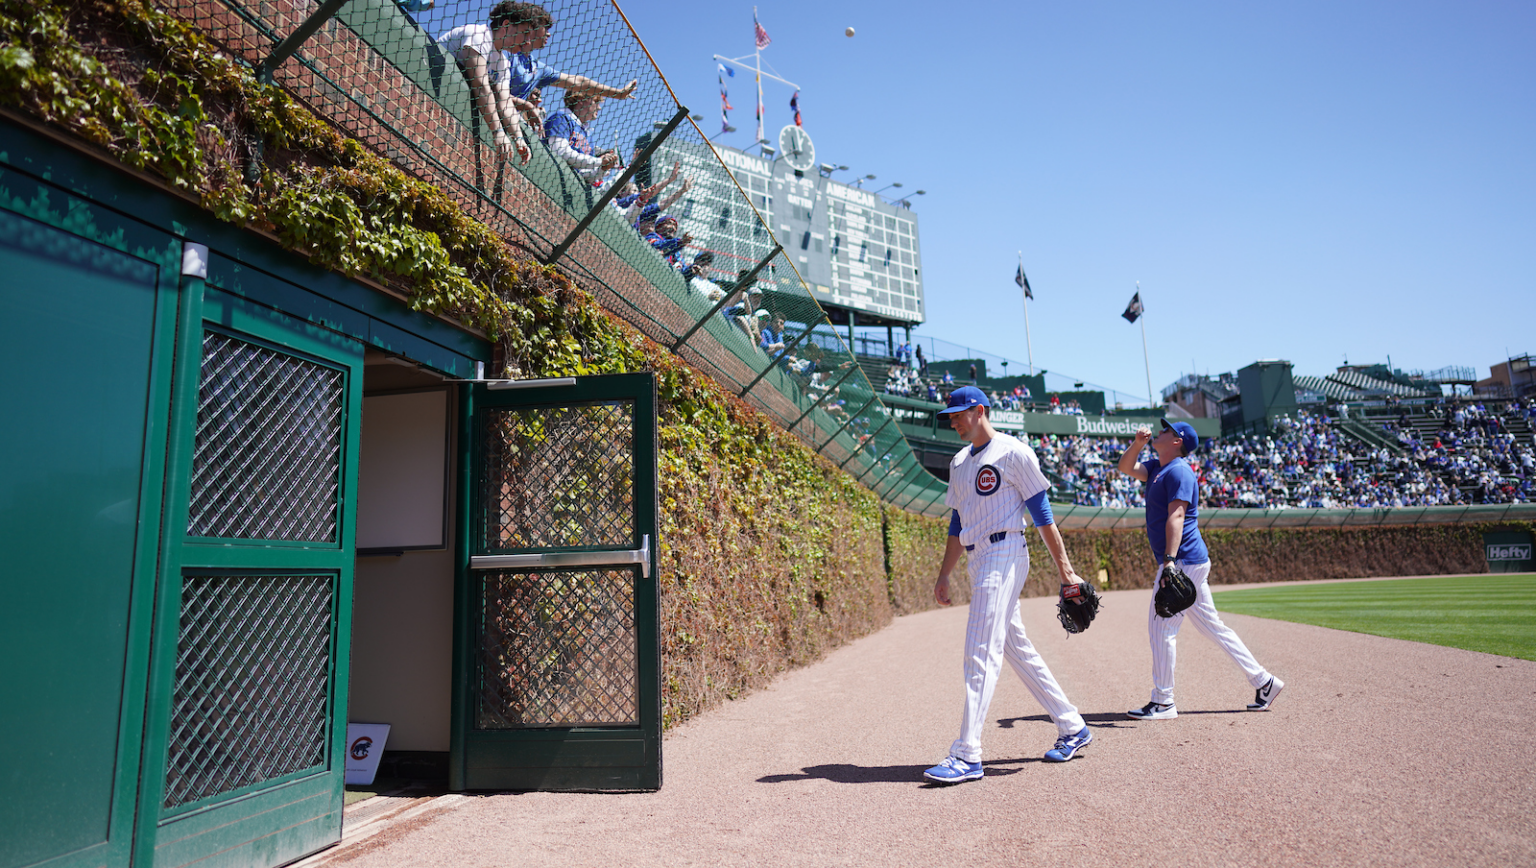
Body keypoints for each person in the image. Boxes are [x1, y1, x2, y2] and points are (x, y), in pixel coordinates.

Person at [924, 386, 1093, 784]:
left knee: (980, 648)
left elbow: (1042, 514)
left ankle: (967, 754)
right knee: (1016, 648)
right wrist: (944, 573)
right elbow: (956, 524)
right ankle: (1073, 727)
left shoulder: (1014, 452)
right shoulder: (959, 462)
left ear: (980, 410)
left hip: (1006, 551)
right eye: (950, 416)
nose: (953, 421)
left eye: (959, 414)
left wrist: (1066, 571)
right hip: (977, 557)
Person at [1114, 420, 1285, 720]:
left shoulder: (1179, 470)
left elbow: (1177, 516)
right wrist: (1138, 444)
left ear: (1177, 441)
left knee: (1161, 626)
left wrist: (1168, 561)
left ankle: (1164, 701)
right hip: (1186, 561)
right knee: (1212, 627)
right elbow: (1125, 468)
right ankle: (1264, 682)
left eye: (1167, 430)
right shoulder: (1157, 467)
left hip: (1183, 561)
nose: (1161, 431)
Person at [435, 3, 534, 163]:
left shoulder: (502, 63)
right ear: (507, 25)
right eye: (525, 34)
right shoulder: (478, 35)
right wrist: (498, 132)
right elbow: (480, 85)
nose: (528, 42)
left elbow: (505, 103)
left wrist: (519, 138)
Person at [544, 91, 619, 184]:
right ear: (581, 100)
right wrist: (599, 161)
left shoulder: (587, 134)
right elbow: (561, 152)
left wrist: (602, 168)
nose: (599, 107)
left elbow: (585, 174)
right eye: (596, 102)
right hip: (548, 177)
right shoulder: (561, 118)